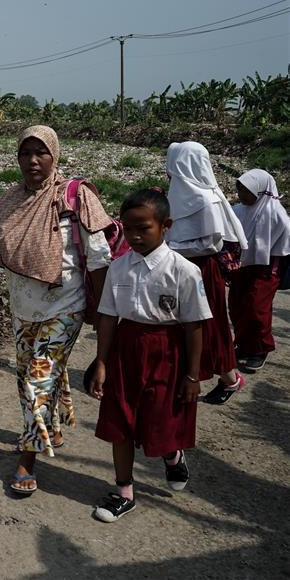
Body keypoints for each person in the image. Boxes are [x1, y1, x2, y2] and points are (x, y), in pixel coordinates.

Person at [0, 125, 113, 495]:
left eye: (40, 153)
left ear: (54, 155)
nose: (32, 161)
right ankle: (52, 427)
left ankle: (28, 458)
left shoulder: (74, 198)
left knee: (36, 379)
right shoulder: (8, 201)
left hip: (66, 305)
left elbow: (99, 260)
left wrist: (104, 314)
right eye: (25, 153)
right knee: (28, 372)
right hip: (23, 306)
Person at [90, 189, 210, 522]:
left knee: (160, 420)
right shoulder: (119, 268)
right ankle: (124, 491)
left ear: (166, 225)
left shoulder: (184, 271)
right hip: (125, 350)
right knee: (120, 421)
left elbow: (194, 326)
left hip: (166, 351)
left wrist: (192, 375)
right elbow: (108, 318)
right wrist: (101, 362)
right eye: (128, 229)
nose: (135, 236)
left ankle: (172, 455)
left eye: (144, 227)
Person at [165, 142, 247, 405]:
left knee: (207, 324)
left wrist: (170, 248)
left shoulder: (204, 198)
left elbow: (212, 243)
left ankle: (227, 376)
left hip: (201, 270)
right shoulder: (176, 193)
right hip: (180, 267)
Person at [229, 169, 290, 371]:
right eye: (239, 191)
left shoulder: (275, 213)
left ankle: (260, 349)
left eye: (246, 191)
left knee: (257, 308)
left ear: (260, 191)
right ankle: (244, 344)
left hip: (266, 269)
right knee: (237, 305)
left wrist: (275, 268)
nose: (242, 196)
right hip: (241, 267)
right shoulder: (238, 211)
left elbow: (284, 245)